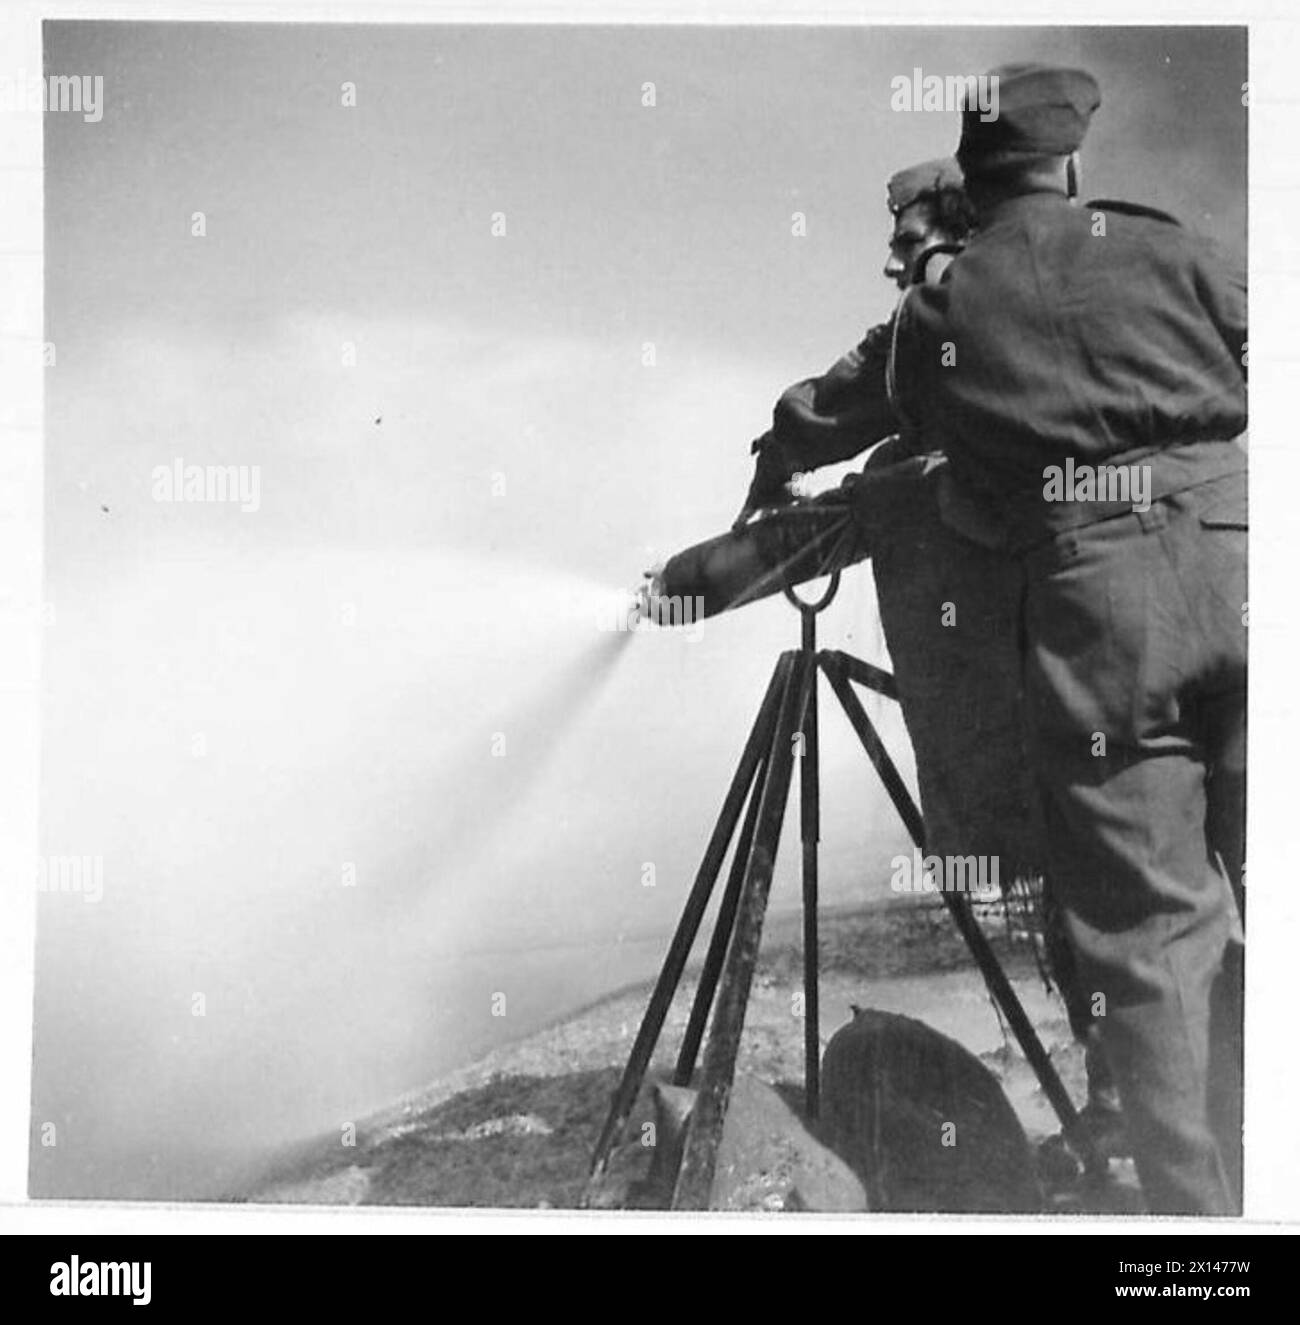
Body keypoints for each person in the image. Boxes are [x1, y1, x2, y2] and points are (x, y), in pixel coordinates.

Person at [891, 64, 1247, 1215]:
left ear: (969, 181)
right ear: (1073, 161)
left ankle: (1205, 1241)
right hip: (1249, 562)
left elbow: (873, 395)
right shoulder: (1169, 246)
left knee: (1149, 943)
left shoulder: (943, 306)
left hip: (1101, 610)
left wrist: (784, 439)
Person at [736, 157, 1127, 1158]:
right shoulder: (1087, 295)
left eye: (910, 244)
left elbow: (850, 394)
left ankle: (1145, 1129)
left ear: (964, 230)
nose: (899, 266)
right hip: (1127, 653)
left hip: (1057, 661)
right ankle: (1135, 1110)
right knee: (1122, 889)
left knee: (1106, 888)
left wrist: (780, 461)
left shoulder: (949, 322)